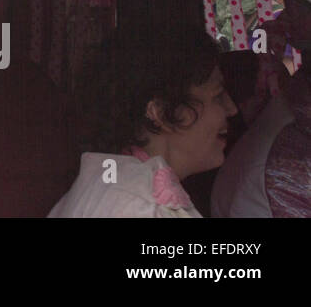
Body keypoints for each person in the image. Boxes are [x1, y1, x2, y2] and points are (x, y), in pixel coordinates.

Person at [49, 25, 237, 217]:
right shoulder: (143, 209)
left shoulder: (104, 180)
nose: (232, 109)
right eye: (218, 95)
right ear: (161, 112)